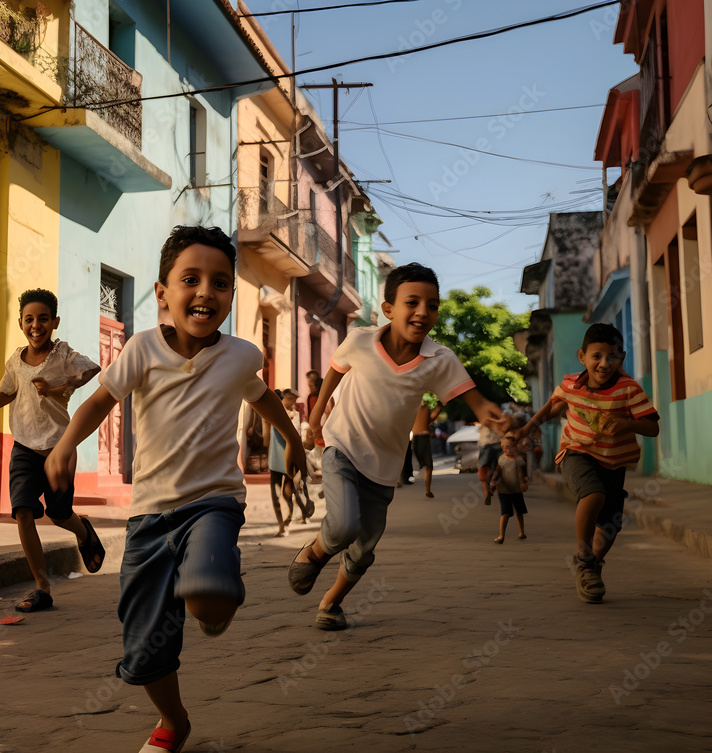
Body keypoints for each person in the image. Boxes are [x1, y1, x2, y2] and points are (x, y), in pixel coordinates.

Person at [46, 225, 307, 753]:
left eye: (220, 282)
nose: (206, 292)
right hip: (148, 516)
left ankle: (213, 592)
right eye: (191, 279)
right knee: (143, 648)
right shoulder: (141, 349)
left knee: (207, 595)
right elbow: (99, 401)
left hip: (214, 503)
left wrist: (293, 439)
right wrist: (65, 444)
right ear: (163, 292)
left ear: (230, 295)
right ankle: (173, 721)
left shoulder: (241, 356)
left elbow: (261, 397)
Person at [289, 263, 510, 631]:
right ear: (388, 309)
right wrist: (314, 420)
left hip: (385, 466)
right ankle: (314, 552)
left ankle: (331, 603)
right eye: (412, 302)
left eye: (432, 305)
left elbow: (477, 402)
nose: (423, 312)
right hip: (342, 445)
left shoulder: (440, 360)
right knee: (343, 526)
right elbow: (334, 372)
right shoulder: (360, 340)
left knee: (363, 549)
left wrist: (494, 416)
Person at [0, 289, 103, 613]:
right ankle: (42, 588)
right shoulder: (16, 359)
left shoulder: (62, 353)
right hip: (24, 447)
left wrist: (58, 387)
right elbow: (8, 391)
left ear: (55, 322)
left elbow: (91, 370)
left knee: (59, 514)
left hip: (59, 448)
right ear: (20, 323)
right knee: (23, 512)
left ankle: (83, 532)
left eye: (43, 319)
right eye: (29, 319)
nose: (36, 325)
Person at [515, 323, 658, 604]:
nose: (604, 363)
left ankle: (590, 567)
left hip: (614, 463)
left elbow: (652, 427)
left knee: (611, 525)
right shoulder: (571, 384)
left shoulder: (629, 390)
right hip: (576, 452)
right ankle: (584, 556)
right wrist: (528, 428)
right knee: (593, 494)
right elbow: (554, 406)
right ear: (582, 356)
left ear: (621, 357)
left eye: (612, 356)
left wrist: (626, 423)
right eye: (597, 356)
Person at [266, 388, 312, 535]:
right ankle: (282, 525)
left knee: (290, 493)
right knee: (276, 494)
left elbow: (297, 437)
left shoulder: (295, 415)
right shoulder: (274, 413)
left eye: (294, 399)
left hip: (289, 460)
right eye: (289, 398)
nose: (292, 402)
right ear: (283, 398)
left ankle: (289, 521)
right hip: (276, 460)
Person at [489, 433, 528, 543]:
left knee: (519, 512)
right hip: (504, 490)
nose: (505, 450)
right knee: (505, 513)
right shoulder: (502, 459)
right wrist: (492, 483)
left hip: (516, 490)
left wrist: (523, 482)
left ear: (515, 447)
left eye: (508, 447)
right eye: (503, 447)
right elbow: (497, 472)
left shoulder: (519, 460)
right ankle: (501, 536)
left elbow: (521, 473)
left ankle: (522, 532)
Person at [411, 397, 442, 498]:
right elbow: (432, 417)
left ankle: (422, 472)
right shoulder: (425, 402)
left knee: (424, 464)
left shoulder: (413, 403)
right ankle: (427, 490)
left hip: (415, 437)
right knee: (429, 466)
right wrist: (439, 407)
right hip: (423, 436)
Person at [477, 421, 503, 506]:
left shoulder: (484, 416)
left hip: (487, 442)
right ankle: (490, 490)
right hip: (497, 442)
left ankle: (487, 493)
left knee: (483, 469)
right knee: (497, 468)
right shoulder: (499, 416)